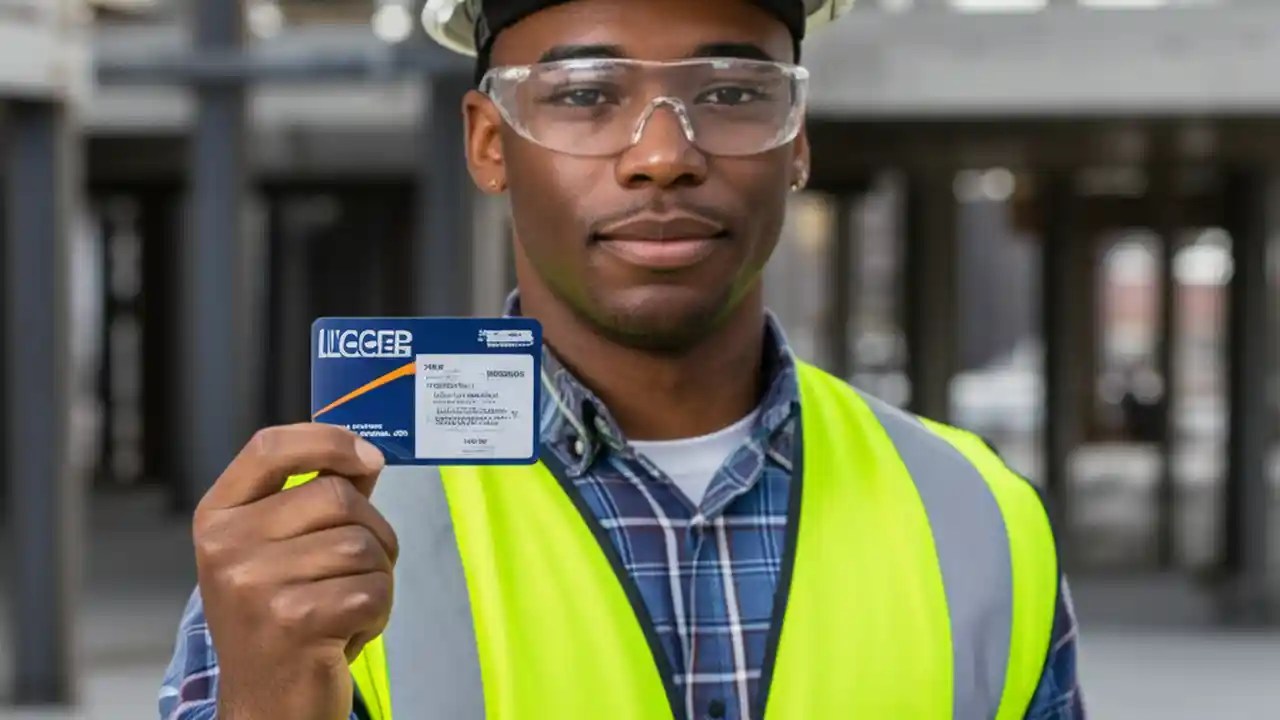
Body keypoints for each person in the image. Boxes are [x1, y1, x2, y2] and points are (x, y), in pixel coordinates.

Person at [159, 0, 1084, 717]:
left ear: (796, 140)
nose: (663, 156)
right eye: (585, 94)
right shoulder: (316, 534)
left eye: (730, 93)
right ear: (489, 143)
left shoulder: (977, 515)